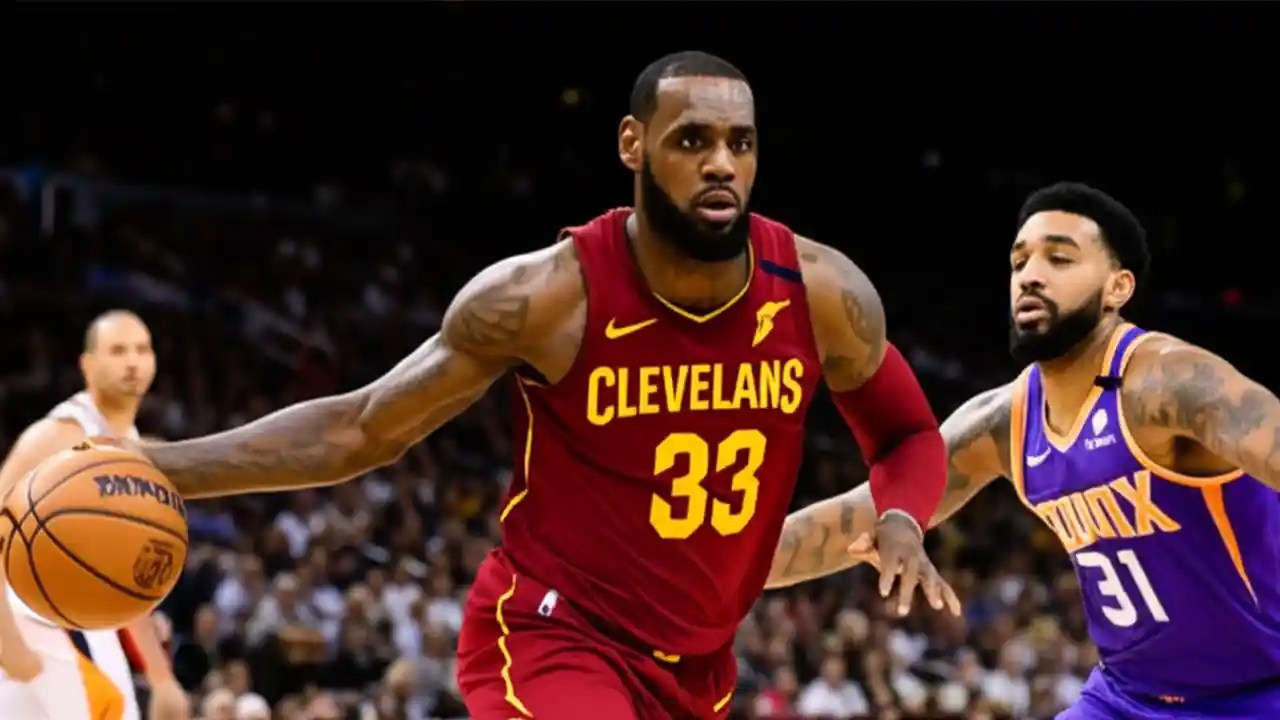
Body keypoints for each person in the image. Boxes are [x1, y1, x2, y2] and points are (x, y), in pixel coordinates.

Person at [106, 51, 956, 719]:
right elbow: (362, 427)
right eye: (692, 140)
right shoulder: (546, 298)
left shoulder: (822, 292)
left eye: (740, 143)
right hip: (554, 631)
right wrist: (164, 467)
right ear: (633, 144)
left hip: (701, 666)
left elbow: (910, 437)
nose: (721, 164)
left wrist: (901, 517)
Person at [767, 182, 1280, 718]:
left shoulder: (1170, 384)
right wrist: (715, 564)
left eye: (1059, 258)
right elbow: (866, 511)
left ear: (1118, 288)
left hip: (1260, 691)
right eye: (1019, 262)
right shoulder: (1004, 423)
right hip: (1125, 698)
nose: (1029, 275)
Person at [0, 310, 190, 720]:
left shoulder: (128, 444)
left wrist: (160, 678)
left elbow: (120, 579)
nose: (132, 361)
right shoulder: (58, 435)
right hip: (33, 625)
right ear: (87, 365)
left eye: (142, 349)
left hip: (85, 627)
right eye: (117, 350)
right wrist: (7, 641)